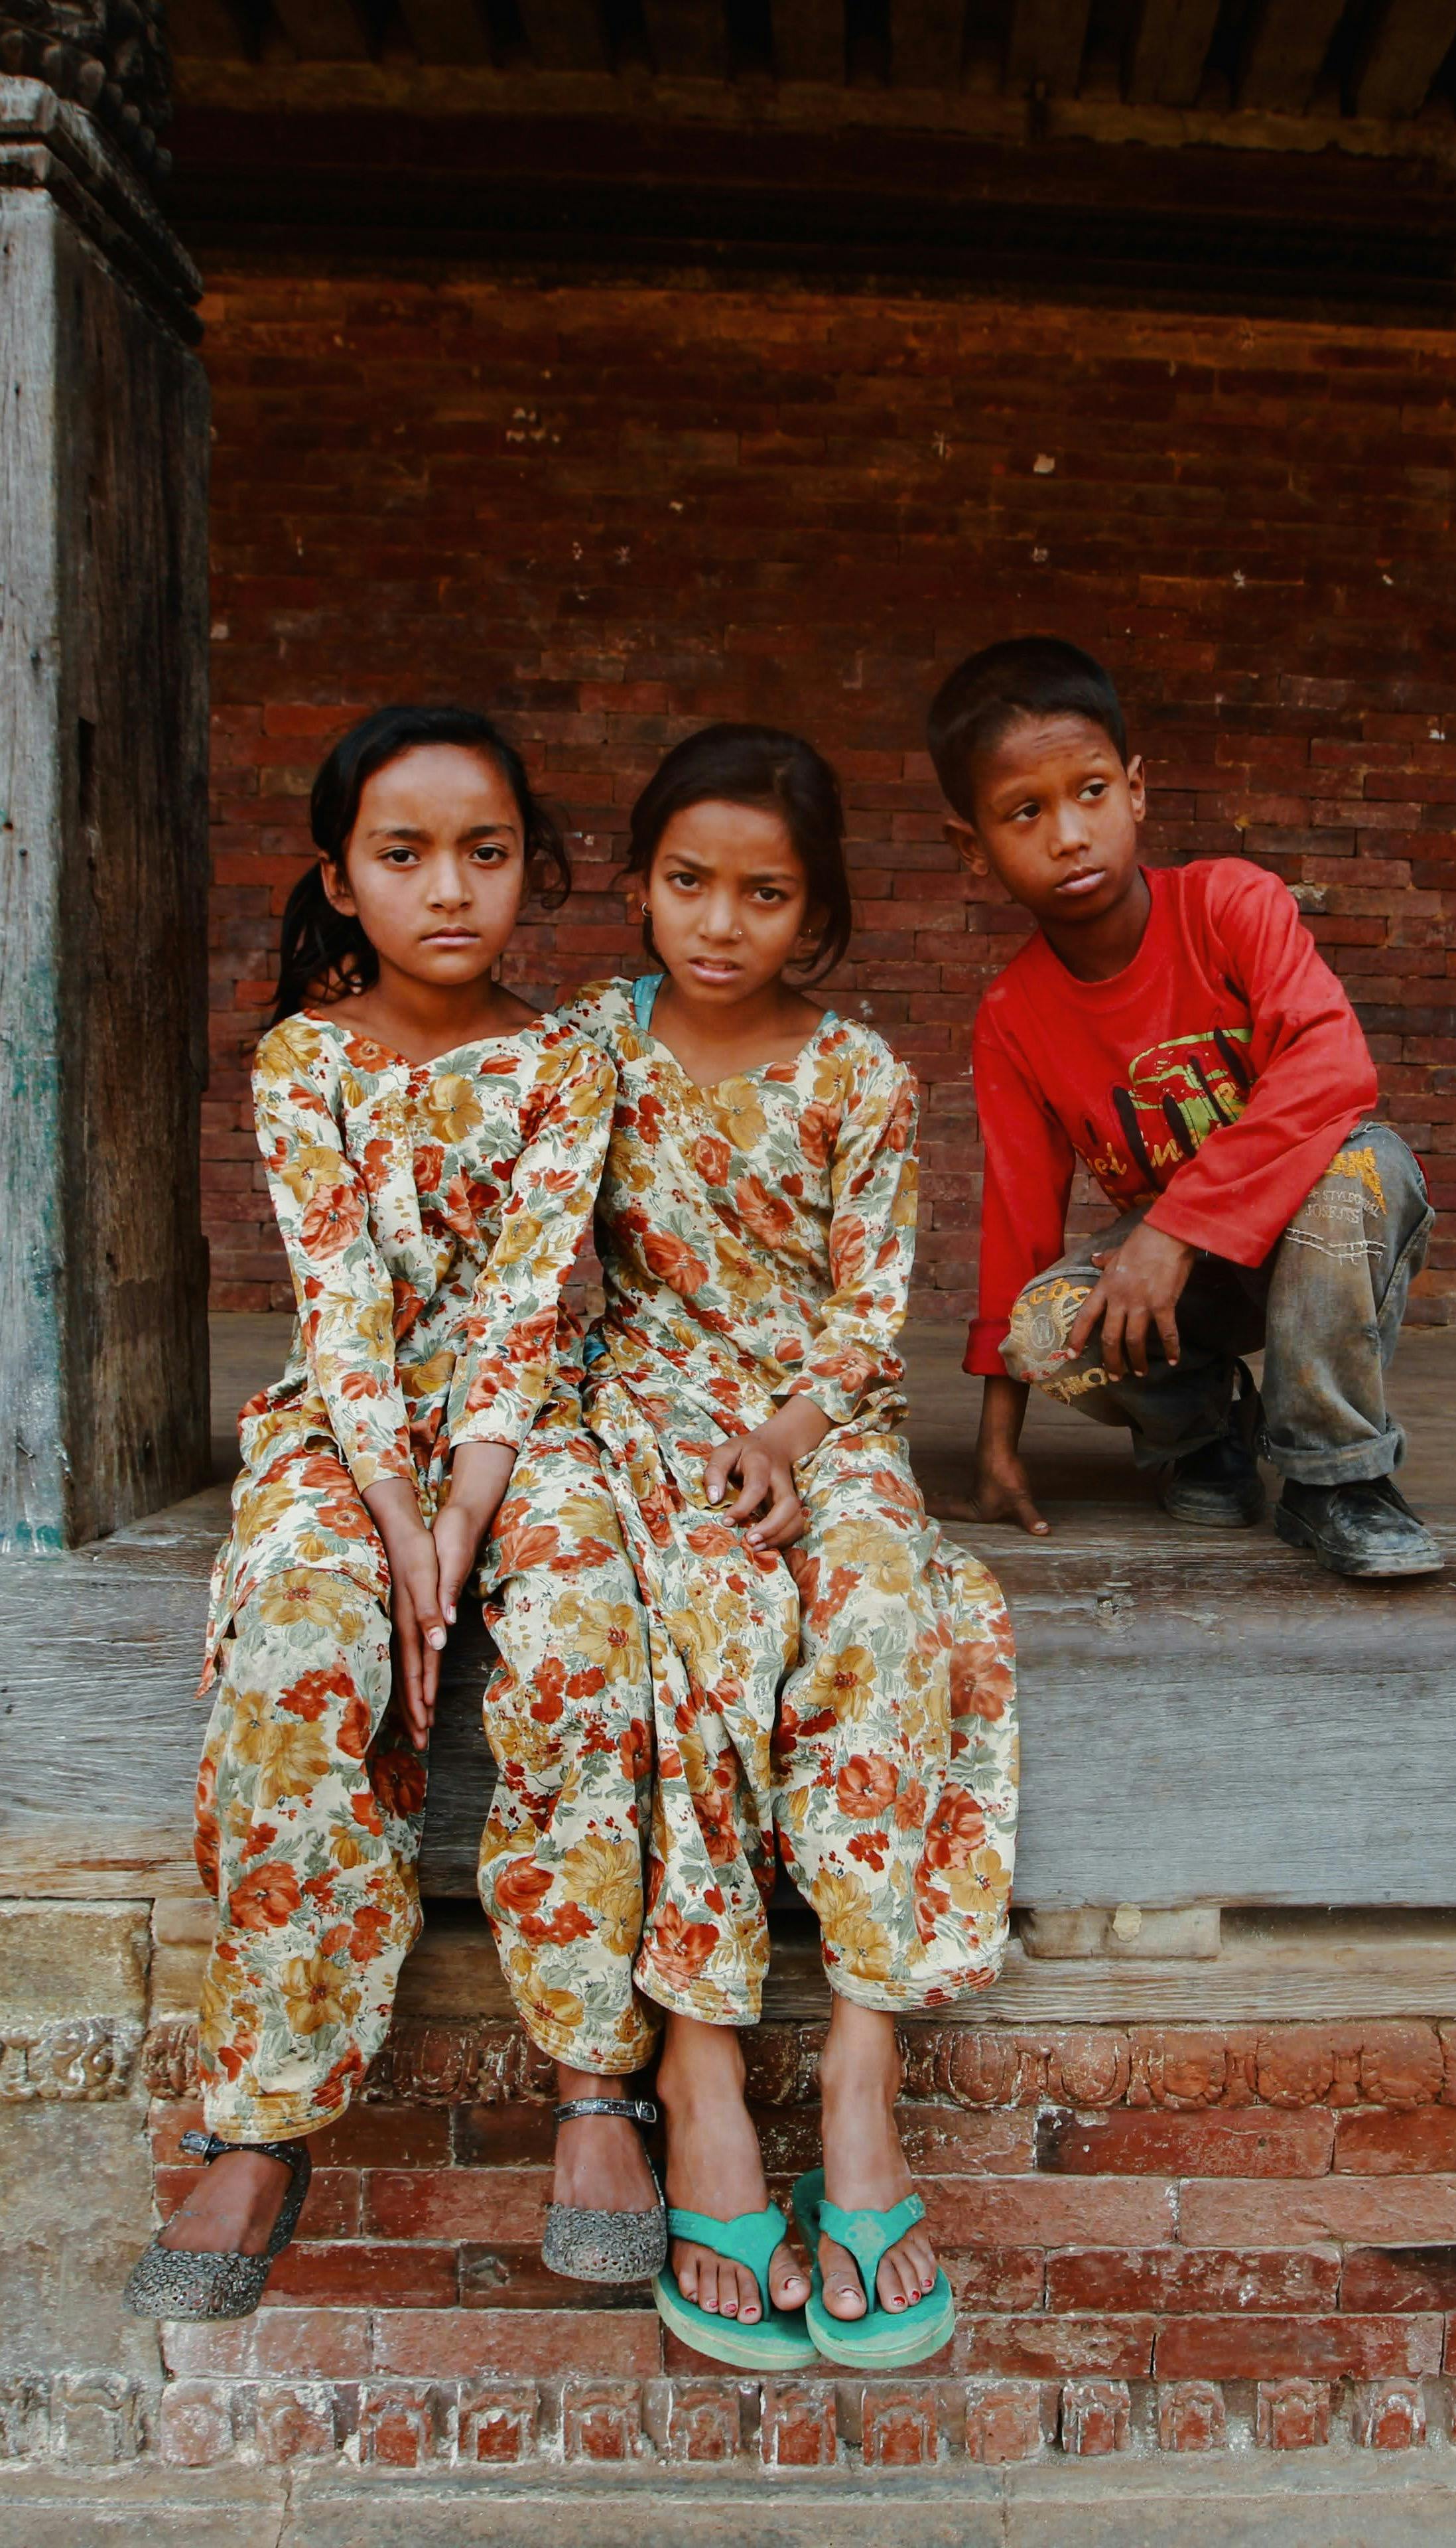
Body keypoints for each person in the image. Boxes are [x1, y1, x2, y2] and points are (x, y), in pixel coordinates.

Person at [124, 707, 667, 2324]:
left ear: (535, 870)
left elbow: (522, 1297)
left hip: (531, 1418)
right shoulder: (306, 1058)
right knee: (301, 1637)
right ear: (340, 880)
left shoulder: (575, 1056)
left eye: (487, 854)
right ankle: (267, 2119)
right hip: (341, 1425)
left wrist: (470, 1514)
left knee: (576, 1627)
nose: (451, 890)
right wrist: (395, 1520)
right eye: (405, 855)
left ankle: (589, 2083)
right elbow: (343, 1303)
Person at [558, 723, 1017, 2375]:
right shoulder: (584, 1055)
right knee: (704, 1624)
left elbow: (862, 1321)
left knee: (899, 1613)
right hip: (644, 1421)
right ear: (636, 887)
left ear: (814, 916)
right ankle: (699, 2068)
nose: (720, 923)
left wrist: (794, 1446)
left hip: (819, 1431)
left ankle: (858, 2077)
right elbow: (543, 1263)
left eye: (765, 894)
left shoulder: (862, 1080)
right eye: (689, 883)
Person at [931, 636, 1442, 1581]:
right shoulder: (1012, 1016)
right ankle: (1205, 1430)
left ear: (1136, 791)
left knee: (1359, 1168)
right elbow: (1018, 1227)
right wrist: (997, 1445)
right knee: (1043, 1325)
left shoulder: (1229, 905)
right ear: (974, 845)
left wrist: (1172, 1227)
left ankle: (1339, 1478)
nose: (1070, 834)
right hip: (1190, 1282)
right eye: (1024, 812)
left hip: (1317, 1221)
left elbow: (1333, 1069)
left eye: (1090, 791)